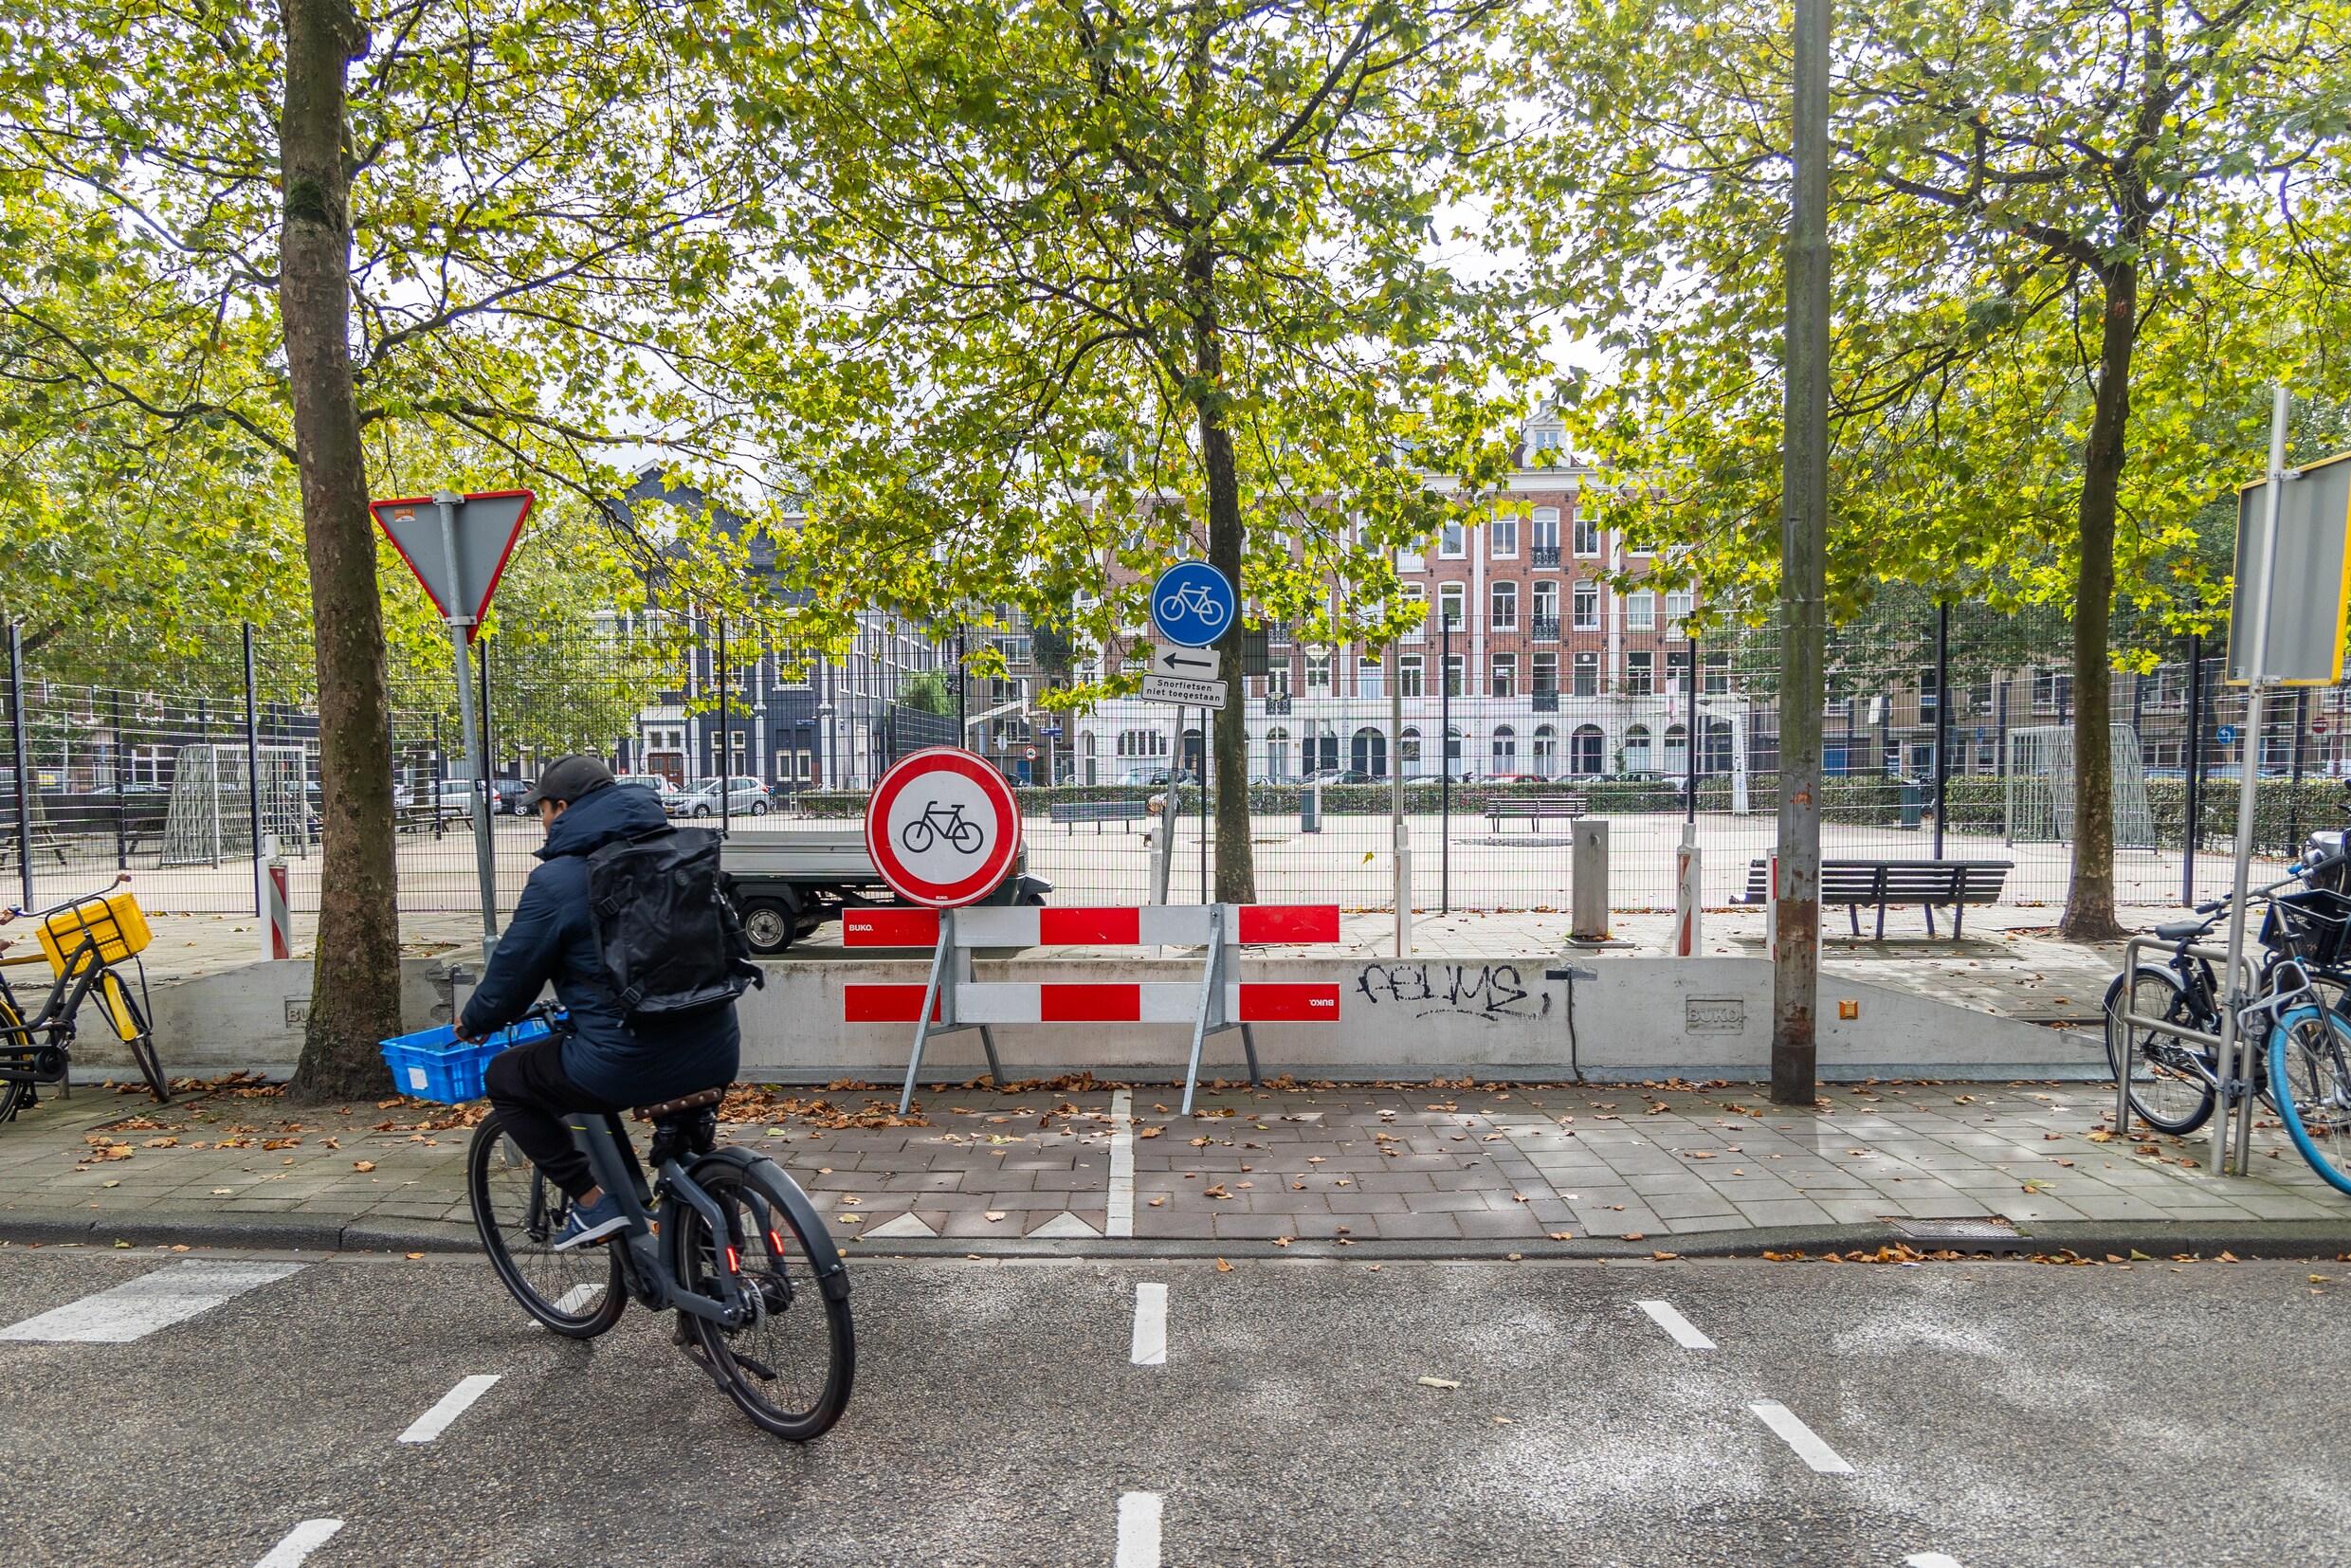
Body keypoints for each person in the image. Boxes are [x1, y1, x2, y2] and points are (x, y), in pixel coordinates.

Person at [457, 755, 740, 1249]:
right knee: (690, 1157)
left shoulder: (559, 880)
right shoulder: (678, 852)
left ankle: (593, 1204)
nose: (541, 821)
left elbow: (512, 977)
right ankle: (714, 1264)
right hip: (718, 1048)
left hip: (624, 1064)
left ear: (562, 808)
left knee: (506, 1077)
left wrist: (475, 1020)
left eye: (542, 810)